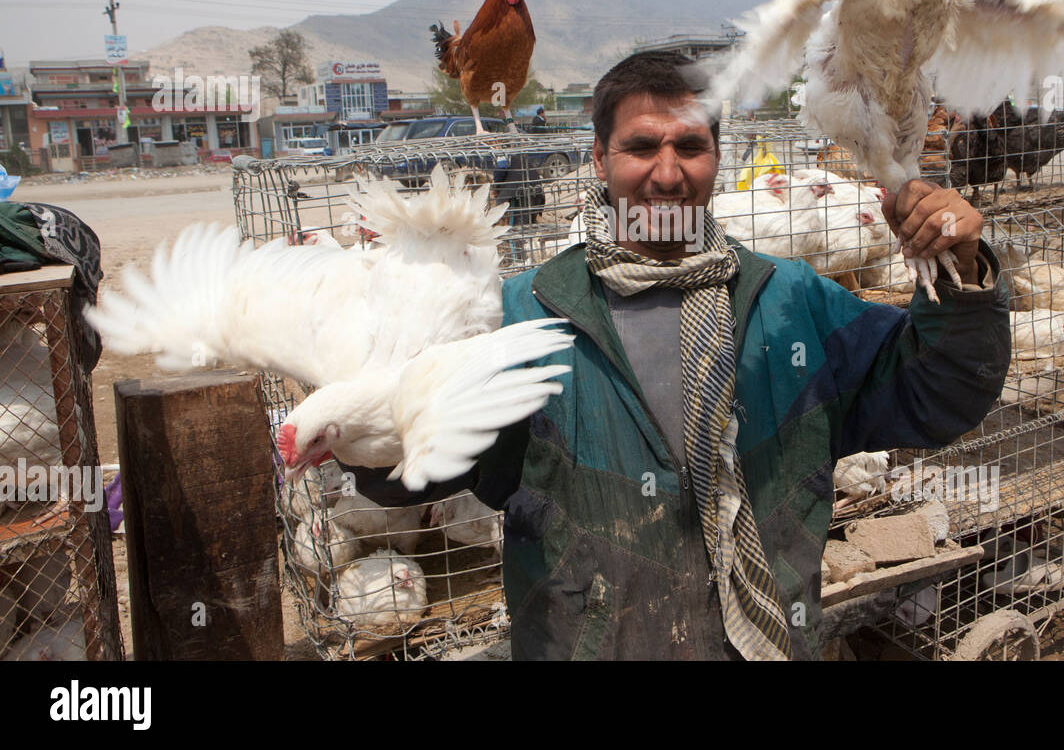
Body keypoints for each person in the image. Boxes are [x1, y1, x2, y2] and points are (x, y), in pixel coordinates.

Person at [344, 51, 1011, 660]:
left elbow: (940, 397)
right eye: (641, 147)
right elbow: (416, 472)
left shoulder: (792, 304)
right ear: (600, 159)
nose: (667, 173)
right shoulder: (523, 316)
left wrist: (962, 272)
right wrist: (360, 399)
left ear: (717, 157)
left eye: (690, 146)